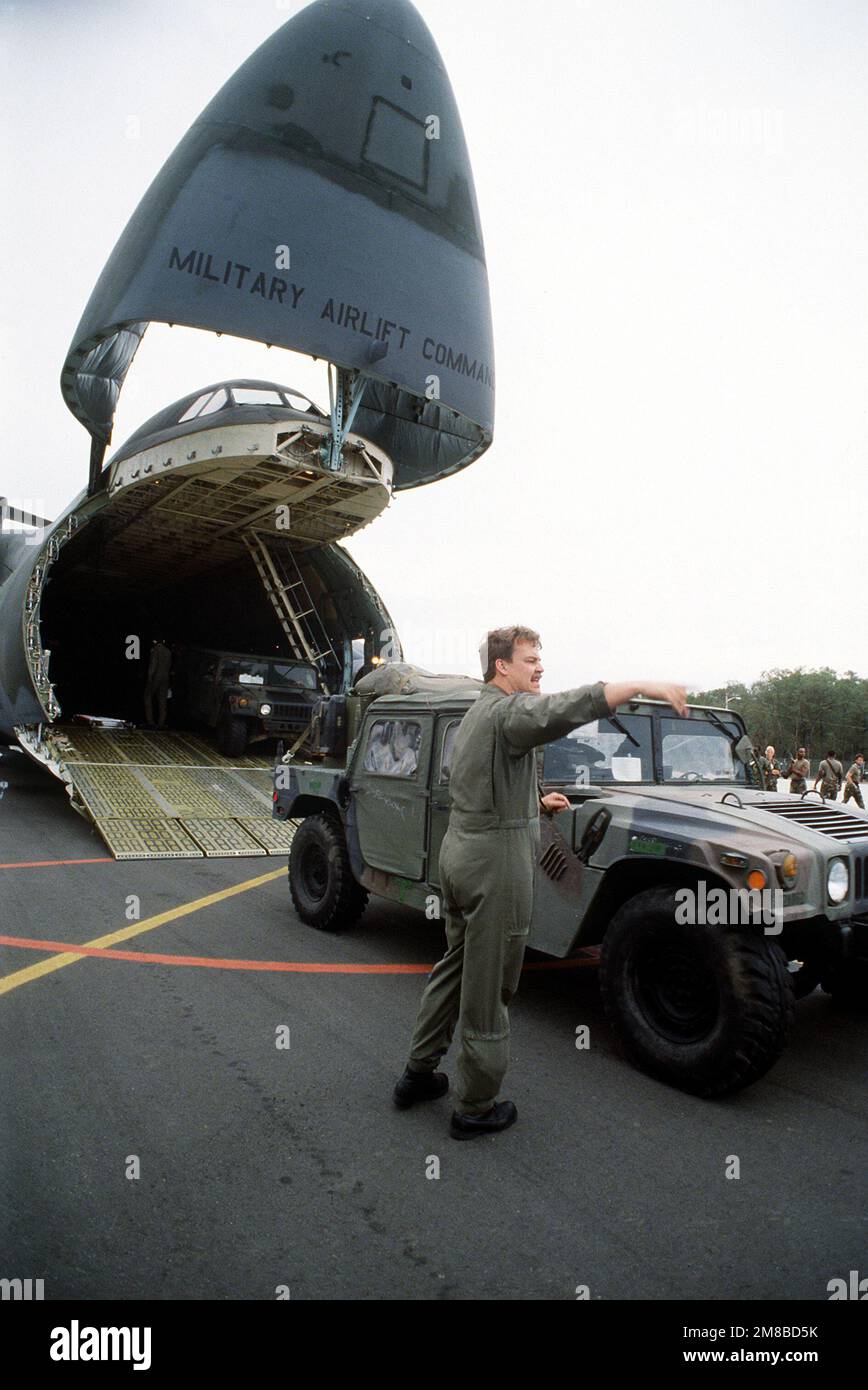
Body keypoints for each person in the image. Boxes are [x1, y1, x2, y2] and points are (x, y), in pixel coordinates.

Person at [392, 625, 687, 1140]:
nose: (540, 668)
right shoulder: (508, 712)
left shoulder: (476, 714)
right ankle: (475, 1106)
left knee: (456, 968)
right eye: (530, 660)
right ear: (501, 666)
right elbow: (563, 710)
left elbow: (484, 787)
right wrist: (641, 685)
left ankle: (418, 1073)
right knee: (490, 986)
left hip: (461, 853)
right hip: (495, 866)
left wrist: (534, 803)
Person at [143, 637, 172, 729]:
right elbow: (169, 665)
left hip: (156, 676)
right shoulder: (168, 651)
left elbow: (153, 665)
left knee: (147, 697)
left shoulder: (155, 650)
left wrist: (150, 677)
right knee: (162, 700)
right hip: (166, 677)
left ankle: (150, 721)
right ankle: (161, 723)